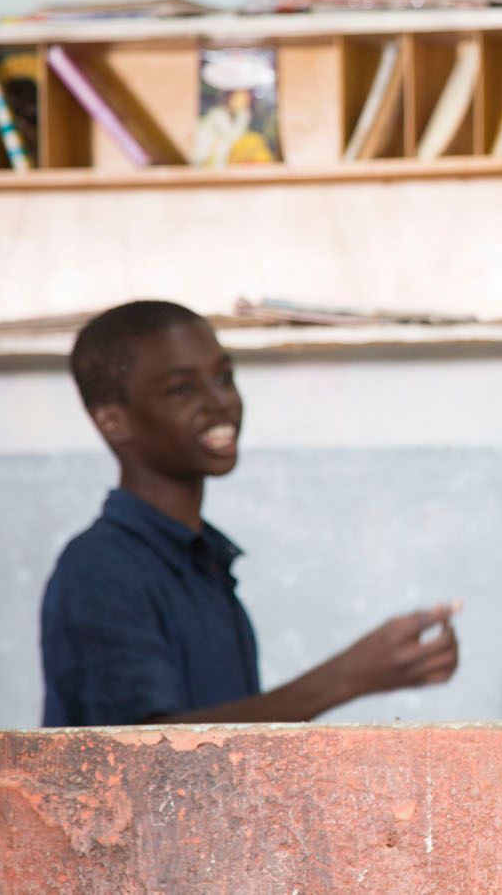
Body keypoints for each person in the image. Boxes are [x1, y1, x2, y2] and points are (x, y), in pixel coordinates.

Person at [41, 300, 460, 726]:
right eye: (182, 389)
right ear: (113, 421)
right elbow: (136, 757)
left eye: (224, 377)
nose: (220, 401)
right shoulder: (99, 570)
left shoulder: (202, 563)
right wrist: (347, 678)